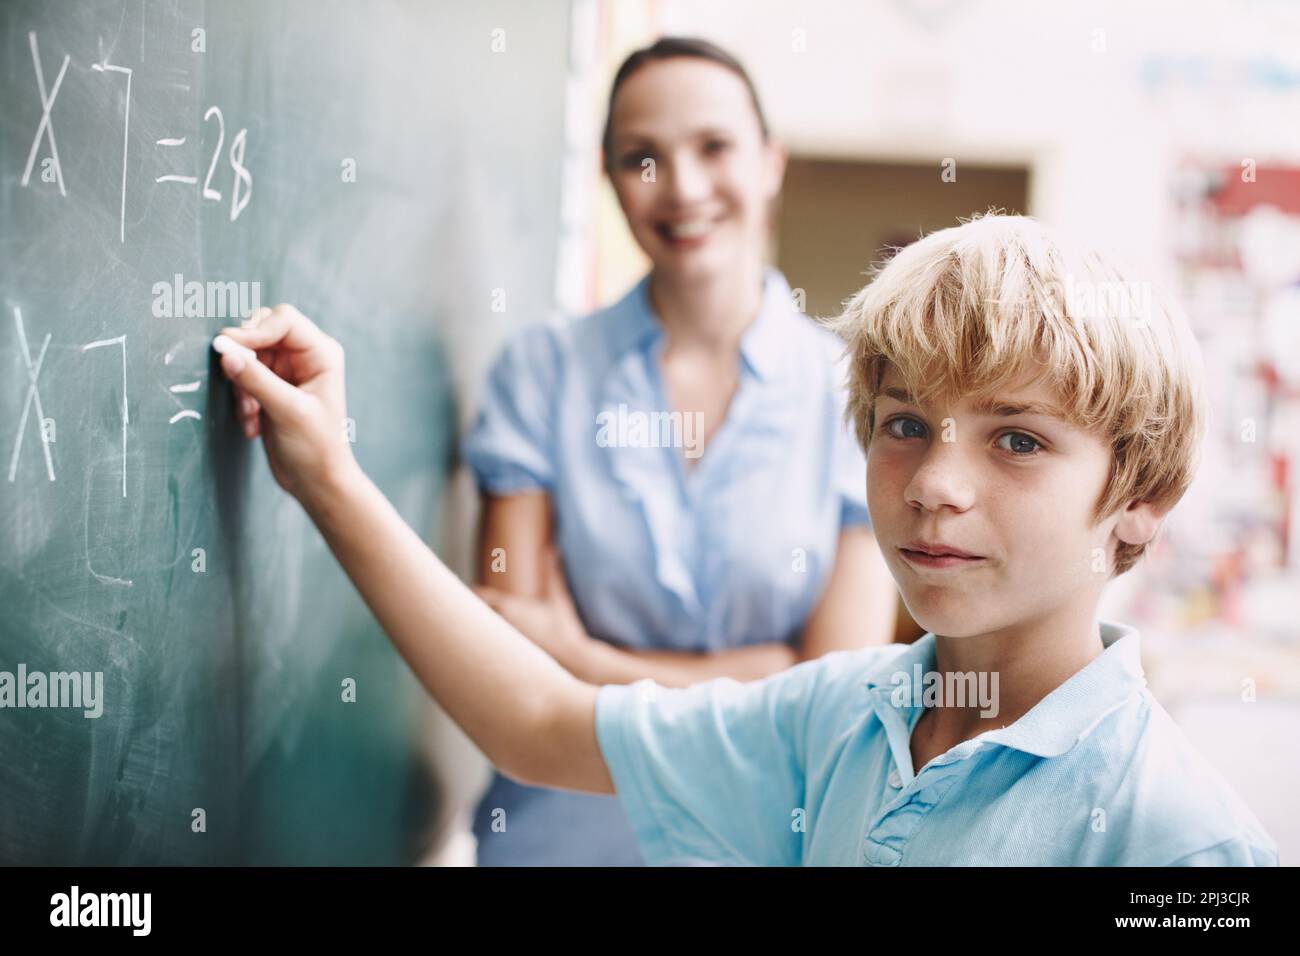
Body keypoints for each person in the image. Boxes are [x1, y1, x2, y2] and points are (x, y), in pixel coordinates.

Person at [211, 211, 1278, 865]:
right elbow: (537, 722)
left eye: (1016, 440)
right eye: (905, 424)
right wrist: (329, 476)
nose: (936, 485)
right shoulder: (842, 720)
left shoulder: (1178, 838)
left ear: (1141, 494)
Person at [458, 37, 896, 864]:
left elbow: (836, 688)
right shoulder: (541, 373)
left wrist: (585, 656)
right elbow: (512, 657)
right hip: (559, 834)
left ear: (771, 162)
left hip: (764, 839)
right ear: (607, 176)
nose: (683, 187)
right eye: (643, 158)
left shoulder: (857, 391)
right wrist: (761, 669)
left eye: (714, 146)